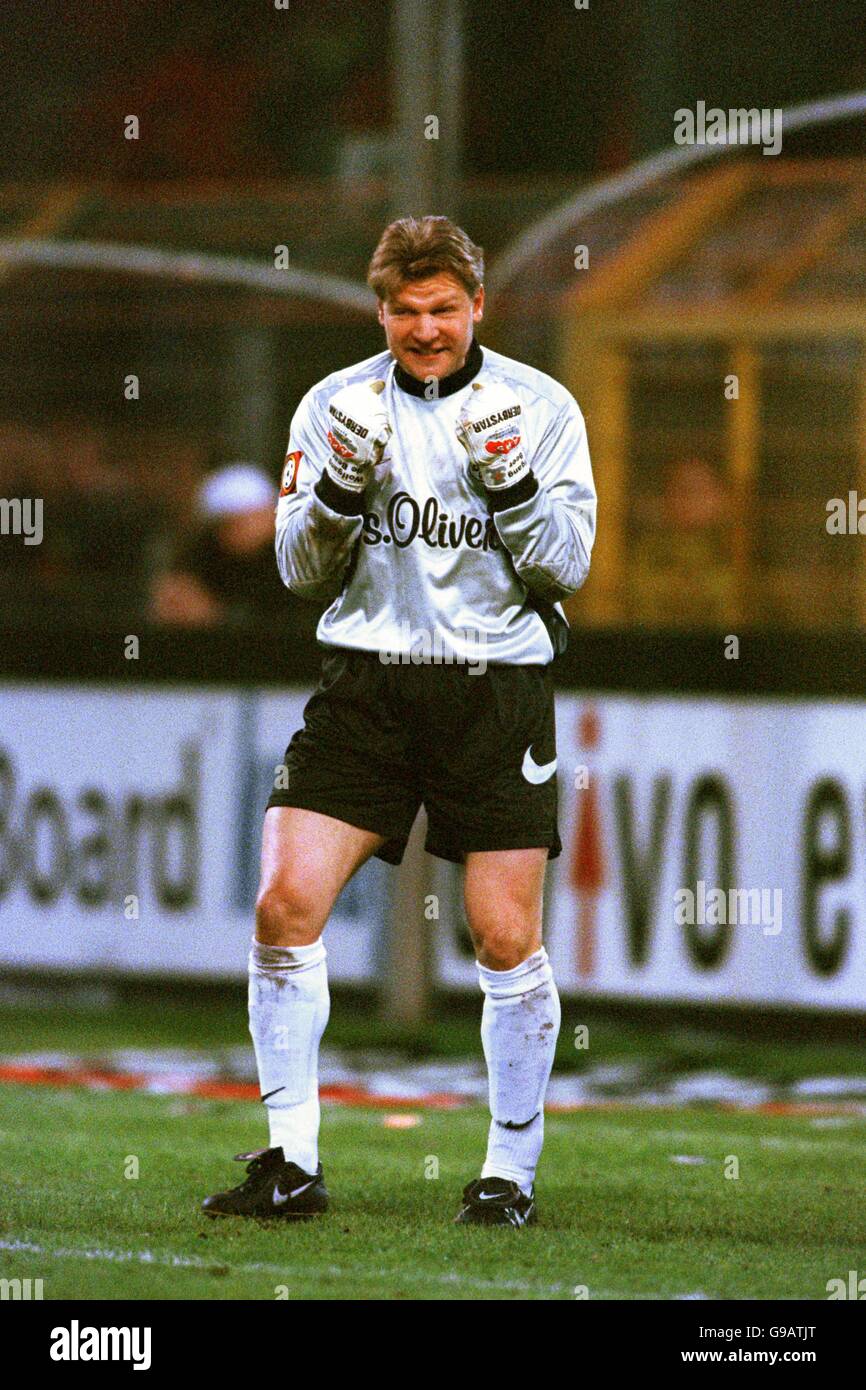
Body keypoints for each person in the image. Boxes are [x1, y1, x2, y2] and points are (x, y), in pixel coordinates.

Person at [201, 216, 597, 1228]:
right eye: (405, 311)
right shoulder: (333, 404)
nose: (425, 329)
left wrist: (508, 484)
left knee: (504, 935)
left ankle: (509, 1173)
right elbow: (295, 571)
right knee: (283, 905)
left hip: (492, 687)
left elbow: (565, 566)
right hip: (366, 684)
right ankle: (289, 1161)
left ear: (476, 306)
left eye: (443, 310)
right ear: (380, 310)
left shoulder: (541, 408)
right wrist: (335, 486)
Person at [151, 462, 298, 628]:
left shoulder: (295, 566)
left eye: (258, 517)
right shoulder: (195, 570)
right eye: (239, 521)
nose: (250, 528)